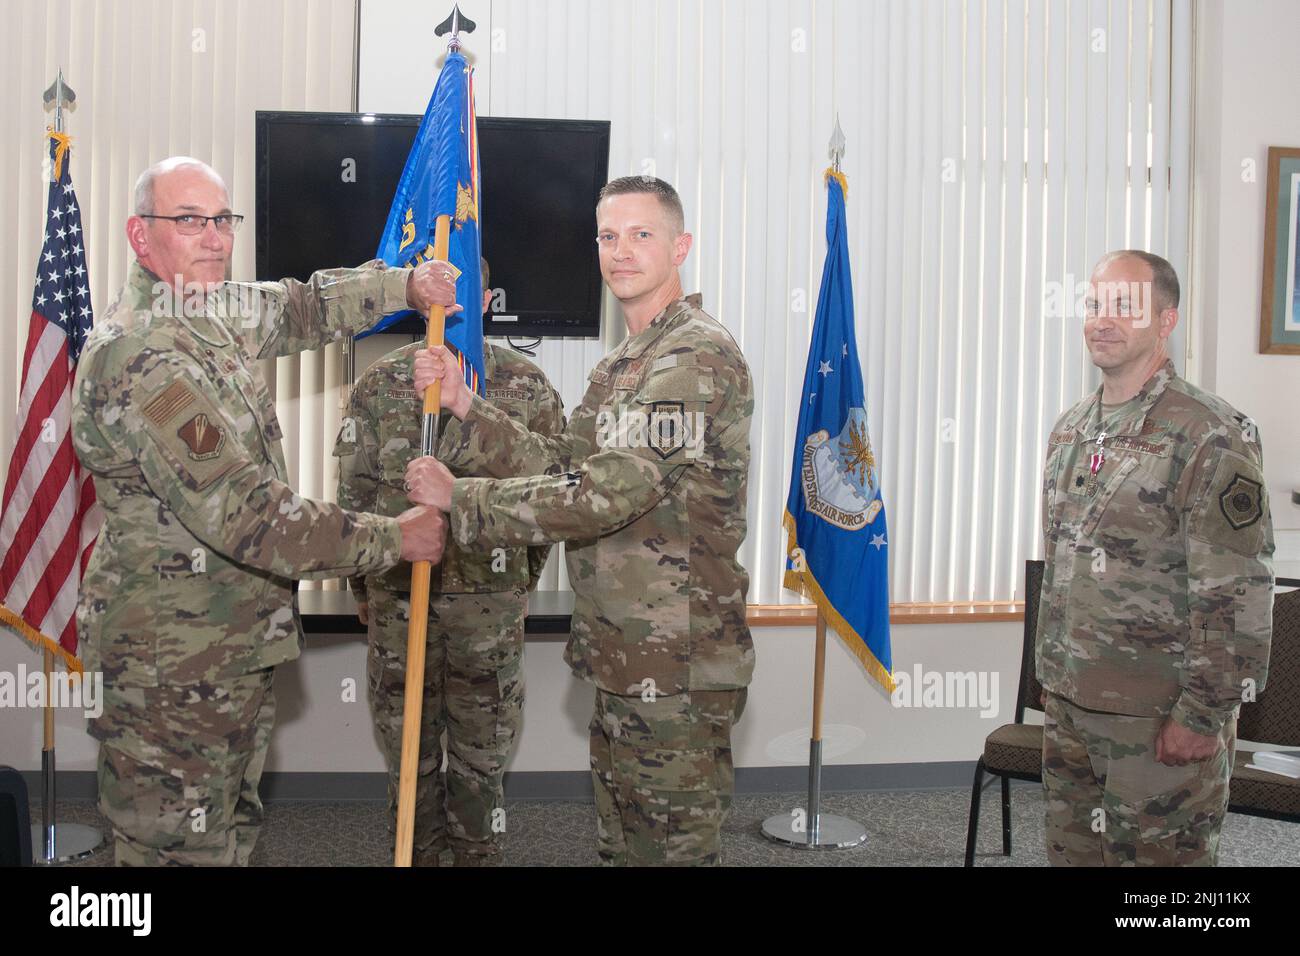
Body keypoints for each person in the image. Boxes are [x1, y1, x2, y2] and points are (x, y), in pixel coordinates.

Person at [72, 156, 451, 866]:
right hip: (170, 678)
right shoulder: (145, 354)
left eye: (222, 220)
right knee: (177, 854)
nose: (214, 238)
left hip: (229, 652)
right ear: (139, 236)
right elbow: (251, 517)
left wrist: (403, 283)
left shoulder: (206, 310)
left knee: (229, 839)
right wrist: (391, 539)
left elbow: (302, 306)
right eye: (189, 221)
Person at [405, 176, 754, 866]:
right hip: (625, 649)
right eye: (607, 236)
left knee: (667, 851)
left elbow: (608, 492)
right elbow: (563, 462)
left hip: (676, 662)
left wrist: (462, 501)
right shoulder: (626, 363)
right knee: (624, 843)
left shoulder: (693, 357)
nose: (620, 251)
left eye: (641, 234)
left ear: (680, 246)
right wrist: (468, 405)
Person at [1036, 249, 1274, 866]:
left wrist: (1201, 715)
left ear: (1166, 320)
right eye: (1093, 305)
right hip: (1071, 709)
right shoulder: (1072, 430)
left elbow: (1237, 594)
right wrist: (1054, 686)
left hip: (1157, 723)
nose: (1101, 320)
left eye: (1124, 306)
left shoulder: (1210, 435)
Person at [336, 257, 564, 866]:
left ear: (488, 299)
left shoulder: (525, 386)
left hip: (487, 620)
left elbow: (553, 499)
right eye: (441, 292)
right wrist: (366, 594)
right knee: (407, 761)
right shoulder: (379, 384)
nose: (453, 305)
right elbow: (354, 497)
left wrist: (516, 585)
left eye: (468, 293)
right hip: (398, 610)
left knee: (480, 765)